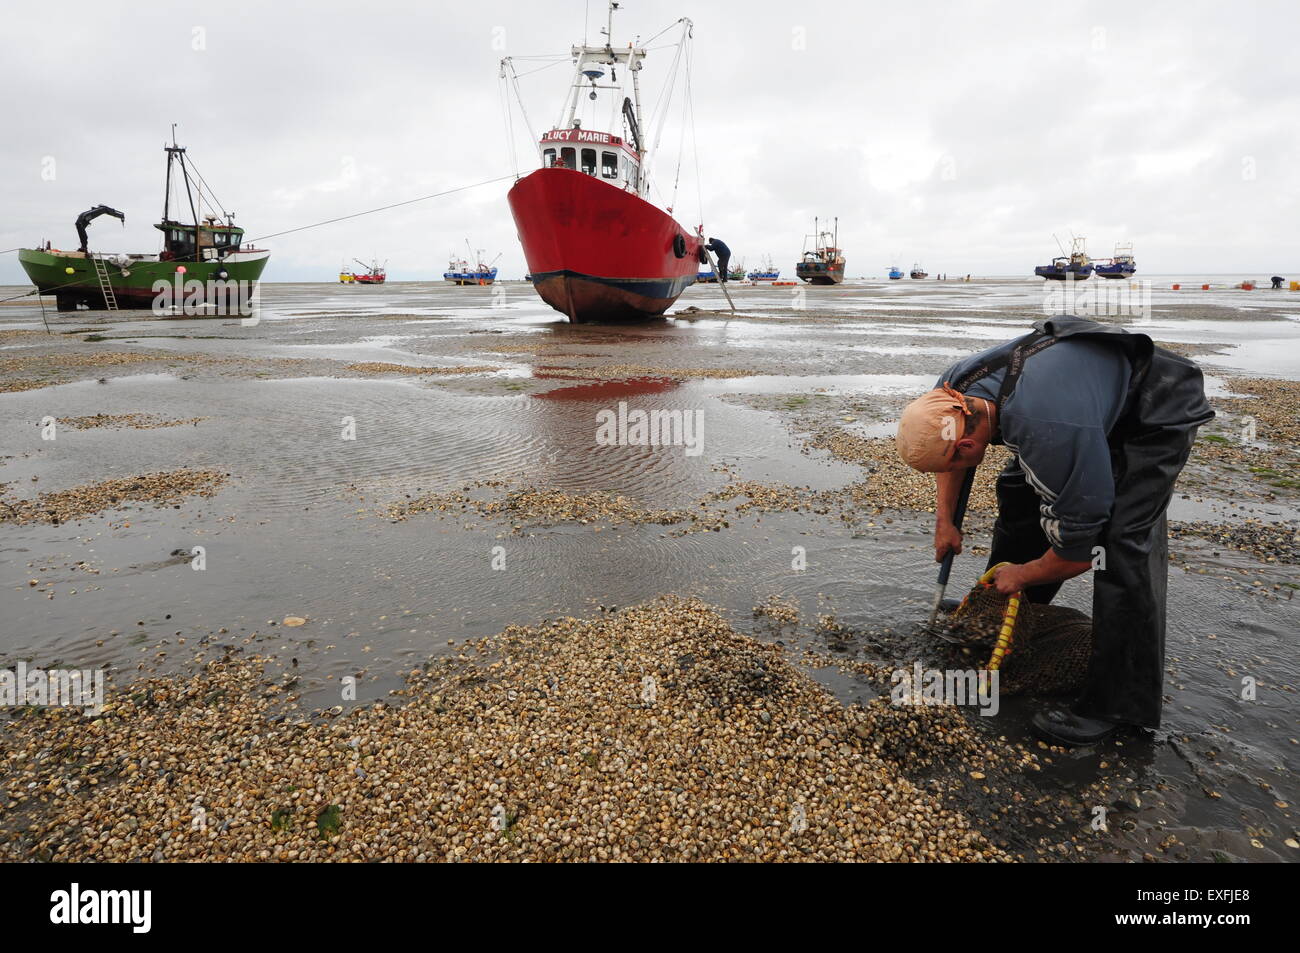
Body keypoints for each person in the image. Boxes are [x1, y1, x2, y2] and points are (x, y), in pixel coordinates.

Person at [894, 316, 1214, 745]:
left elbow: (1080, 548)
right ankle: (1007, 615)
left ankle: (1116, 706)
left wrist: (1024, 573)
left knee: (1120, 542)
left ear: (967, 443)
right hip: (1079, 401)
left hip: (1153, 410)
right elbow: (953, 463)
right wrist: (945, 521)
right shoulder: (951, 391)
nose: (951, 470)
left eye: (953, 460)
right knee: (1018, 492)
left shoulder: (1046, 425)